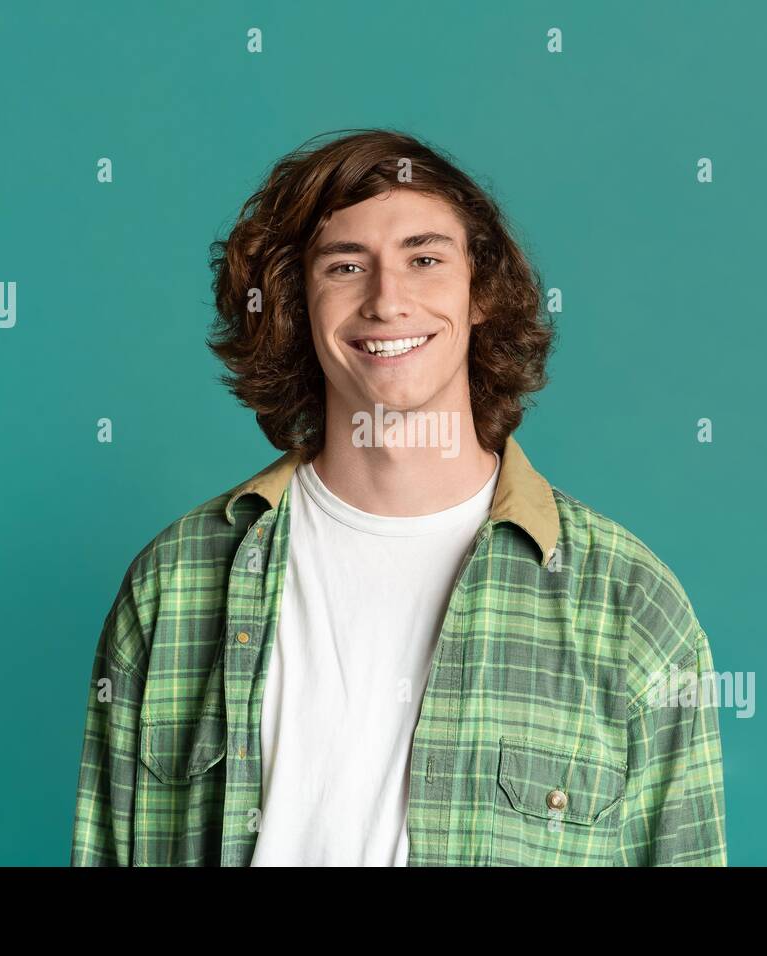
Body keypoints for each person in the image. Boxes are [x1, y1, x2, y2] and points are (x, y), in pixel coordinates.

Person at [71, 129, 726, 866]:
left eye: (424, 259)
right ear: (294, 302)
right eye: (346, 266)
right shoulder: (176, 583)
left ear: (479, 293)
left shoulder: (630, 605)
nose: (388, 300)